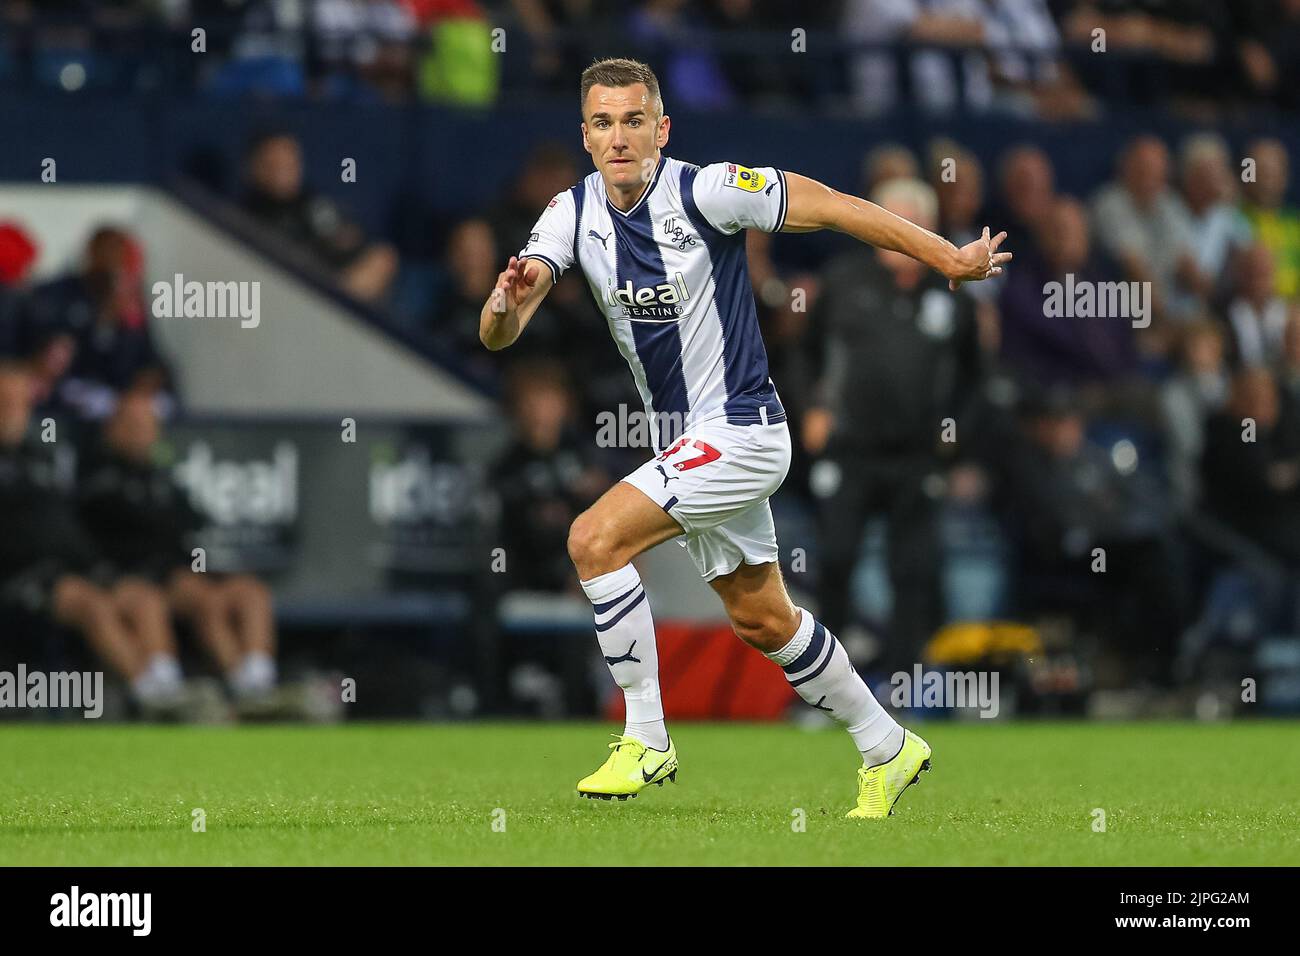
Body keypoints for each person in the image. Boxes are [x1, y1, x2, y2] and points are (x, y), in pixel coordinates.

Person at [478, 58, 1010, 818]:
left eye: (635, 121)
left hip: (741, 430)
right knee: (762, 618)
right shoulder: (569, 214)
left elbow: (828, 207)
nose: (619, 137)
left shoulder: (707, 189)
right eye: (603, 123)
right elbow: (500, 330)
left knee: (593, 540)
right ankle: (888, 745)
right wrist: (504, 304)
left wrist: (945, 255)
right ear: (587, 135)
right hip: (684, 443)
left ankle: (647, 738)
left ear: (661, 130)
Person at [77, 391, 289, 713]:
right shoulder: (95, 477)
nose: (143, 434)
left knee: (249, 593)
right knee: (174, 601)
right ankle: (167, 692)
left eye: (149, 425)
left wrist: (207, 565)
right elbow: (105, 534)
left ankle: (256, 682)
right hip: (130, 577)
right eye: (133, 425)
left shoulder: (163, 480)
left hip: (180, 572)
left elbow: (192, 525)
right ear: (113, 428)